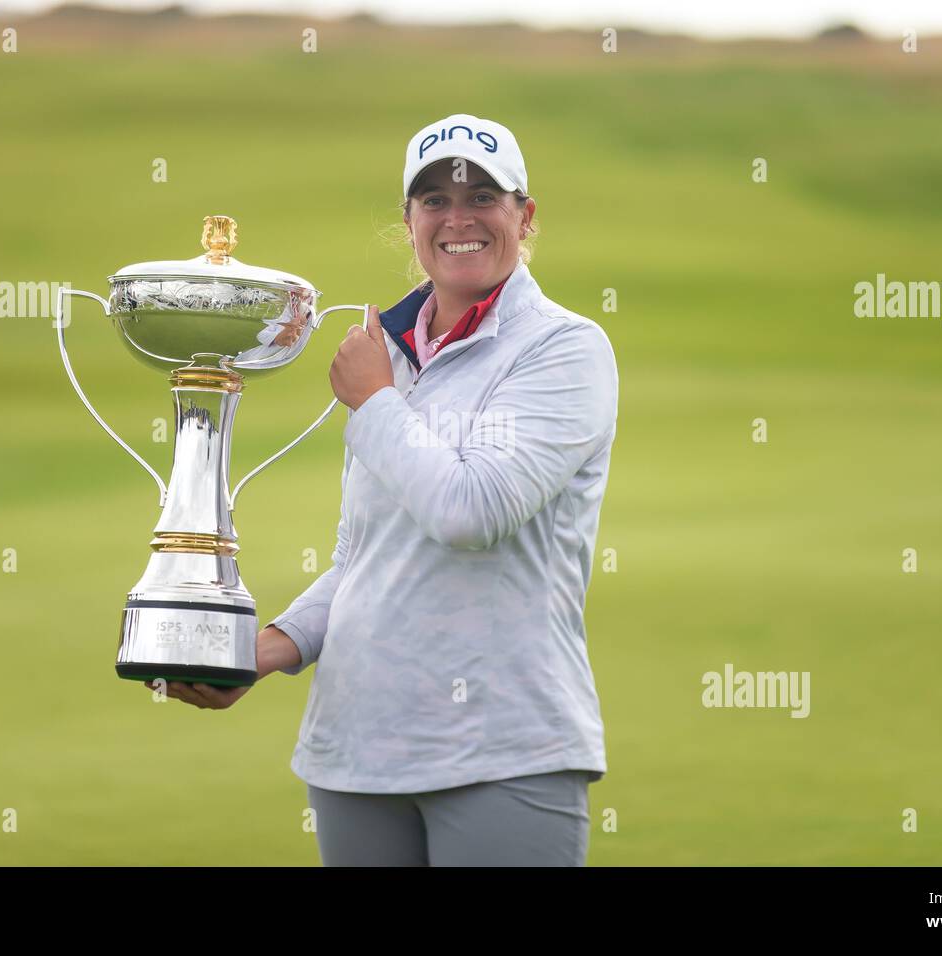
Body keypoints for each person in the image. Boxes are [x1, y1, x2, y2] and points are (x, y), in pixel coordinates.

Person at [152, 113, 619, 866]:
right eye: (433, 199)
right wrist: (268, 647)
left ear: (524, 216)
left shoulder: (565, 349)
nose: (457, 218)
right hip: (358, 750)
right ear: (408, 223)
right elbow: (367, 556)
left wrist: (373, 403)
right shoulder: (387, 352)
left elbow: (471, 514)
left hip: (503, 748)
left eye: (483, 197)